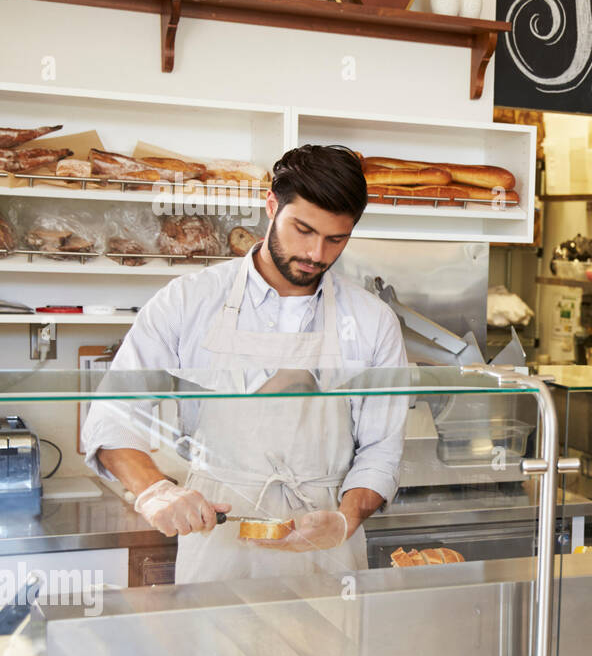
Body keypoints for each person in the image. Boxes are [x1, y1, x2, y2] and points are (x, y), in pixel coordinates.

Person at [81, 144, 408, 584]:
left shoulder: (372, 321)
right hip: (217, 537)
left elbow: (381, 449)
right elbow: (113, 415)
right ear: (271, 206)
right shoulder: (187, 300)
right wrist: (156, 491)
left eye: (336, 239)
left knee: (330, 653)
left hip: (327, 548)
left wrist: (346, 519)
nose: (316, 253)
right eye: (303, 230)